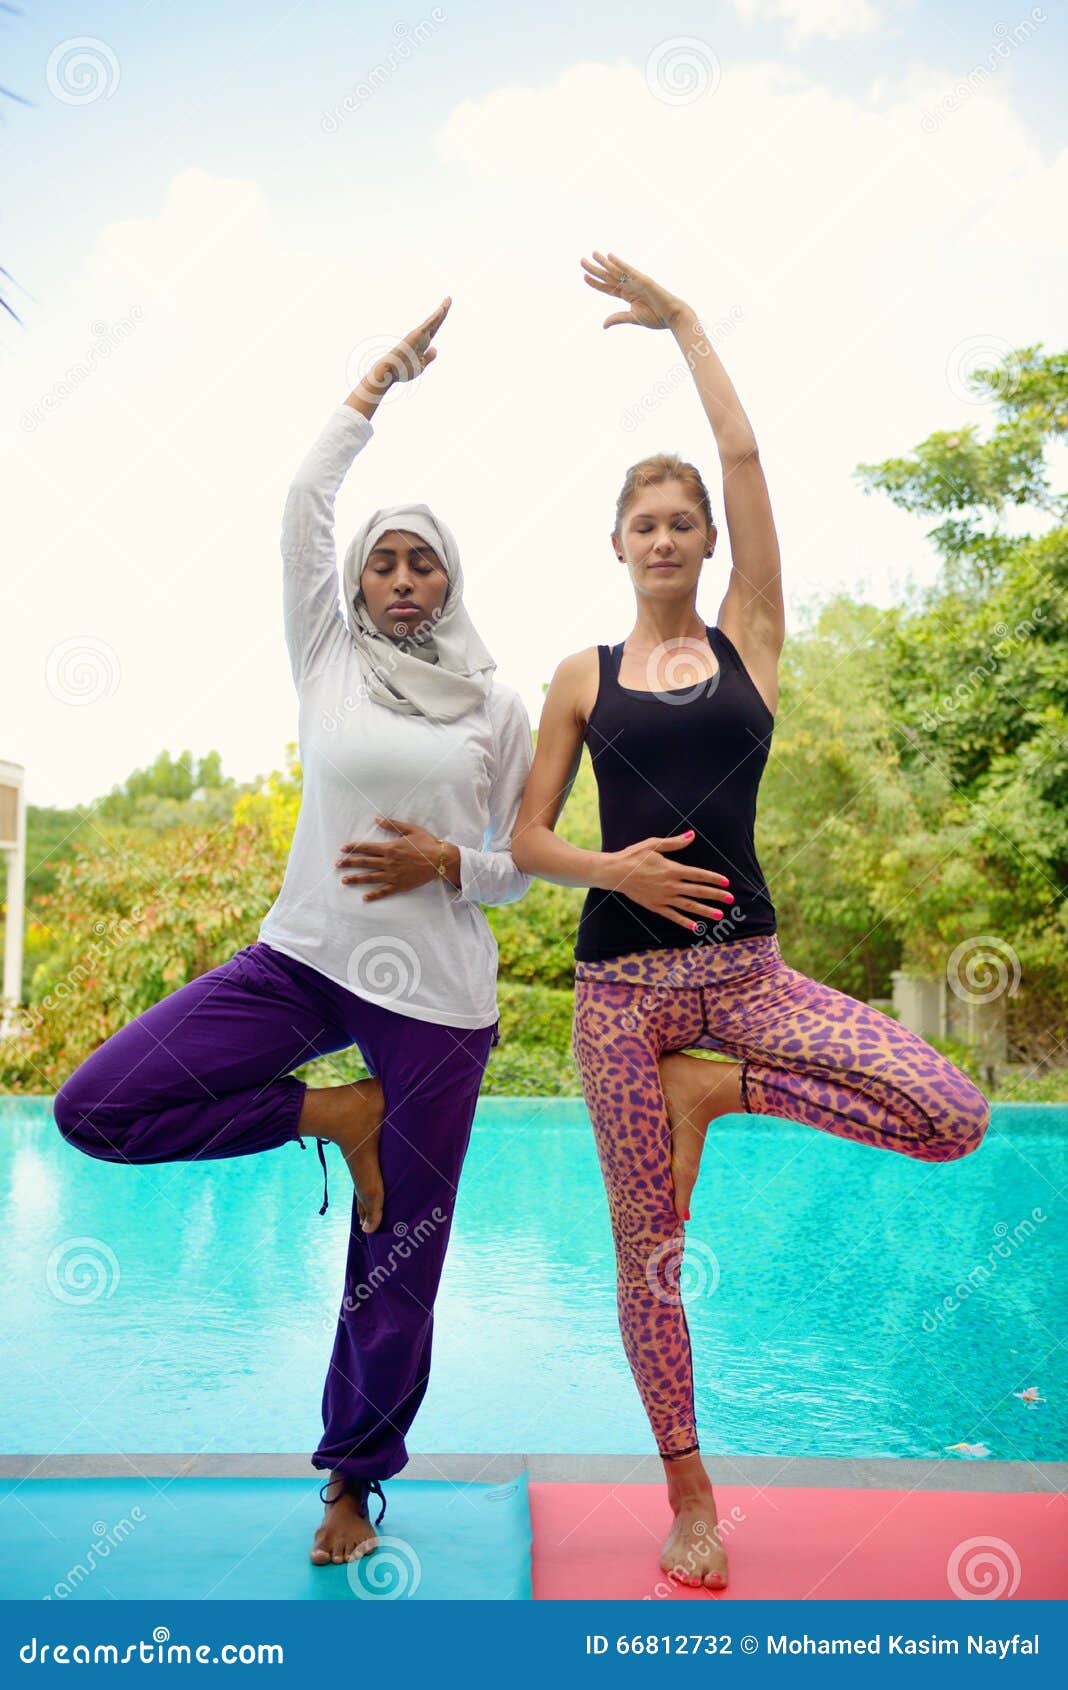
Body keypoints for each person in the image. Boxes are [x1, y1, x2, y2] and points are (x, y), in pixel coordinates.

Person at [510, 251, 991, 1591]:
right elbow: (526, 840)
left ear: (707, 542)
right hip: (619, 999)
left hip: (750, 984)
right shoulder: (579, 674)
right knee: (649, 1251)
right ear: (616, 542)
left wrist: (687, 325)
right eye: (644, 522)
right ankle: (689, 1489)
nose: (667, 536)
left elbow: (748, 454)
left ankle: (724, 1090)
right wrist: (620, 873)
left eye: (683, 521)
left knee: (953, 1114)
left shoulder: (750, 641)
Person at [53, 299, 534, 1567]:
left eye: (422, 561)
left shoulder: (497, 703)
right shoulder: (324, 651)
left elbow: (520, 870)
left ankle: (349, 1480)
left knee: (398, 1260)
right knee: (95, 1107)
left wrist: (453, 860)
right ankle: (335, 1115)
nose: (400, 577)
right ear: (359, 578)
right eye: (384, 559)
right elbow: (298, 514)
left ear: (450, 578)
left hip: (436, 1001)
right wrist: (371, 387)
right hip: (304, 956)